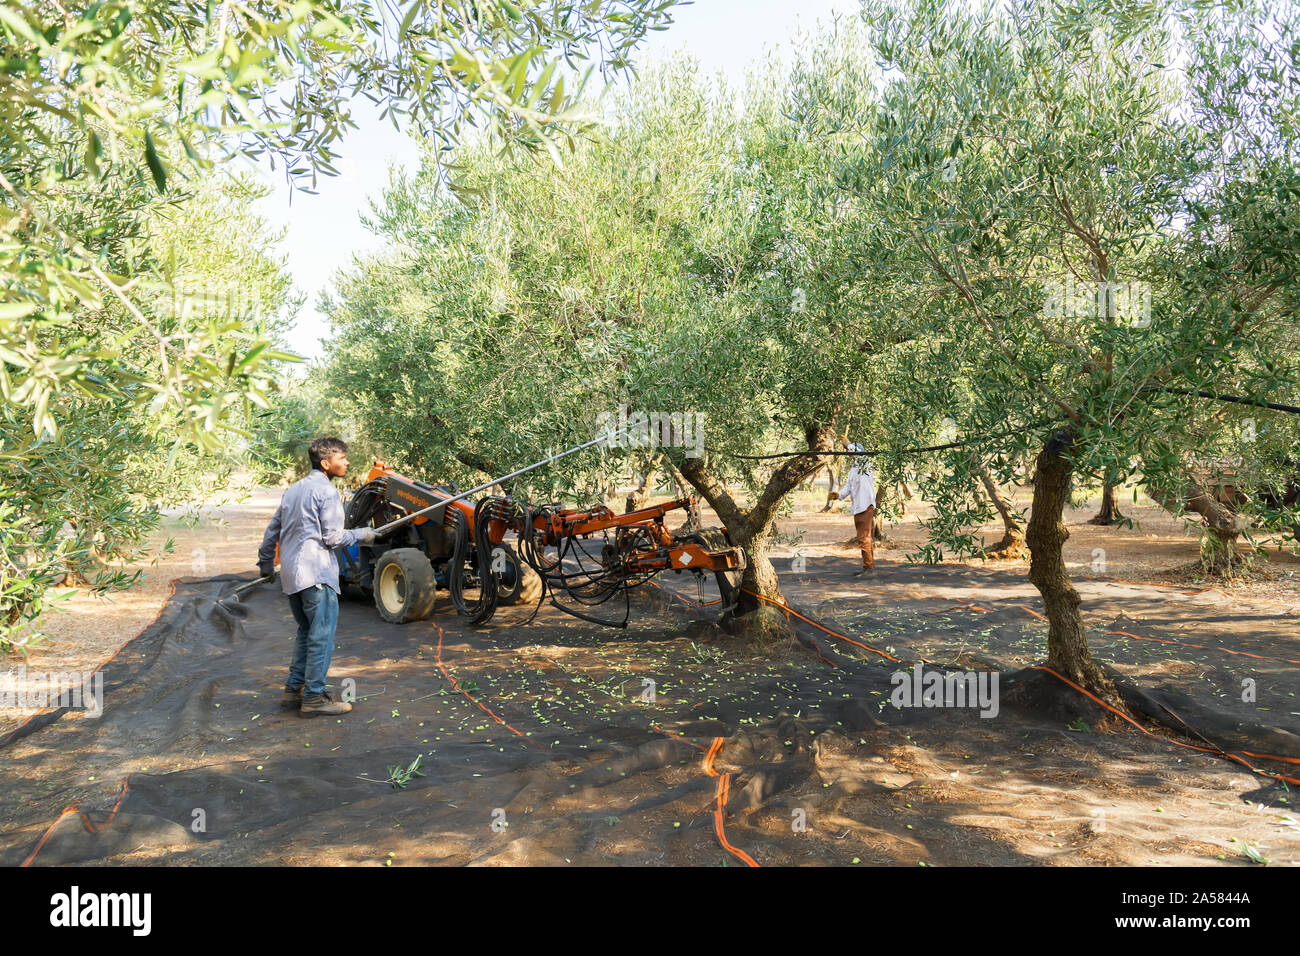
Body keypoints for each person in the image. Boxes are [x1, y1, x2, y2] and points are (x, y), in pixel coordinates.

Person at [257, 437, 378, 717]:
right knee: (321, 636)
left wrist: (265, 562)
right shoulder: (327, 492)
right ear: (326, 463)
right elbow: (334, 538)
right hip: (316, 576)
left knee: (306, 632)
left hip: (292, 576)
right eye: (342, 458)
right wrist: (363, 534)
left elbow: (272, 529)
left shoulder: (293, 490)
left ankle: (293, 691)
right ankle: (313, 698)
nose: (346, 462)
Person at [829, 441, 877, 576]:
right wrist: (837, 495)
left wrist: (848, 443)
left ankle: (868, 568)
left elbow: (861, 454)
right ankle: (869, 566)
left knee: (864, 538)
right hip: (858, 507)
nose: (850, 455)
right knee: (865, 537)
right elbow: (848, 488)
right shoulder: (853, 470)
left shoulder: (865, 464)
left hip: (866, 505)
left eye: (852, 452)